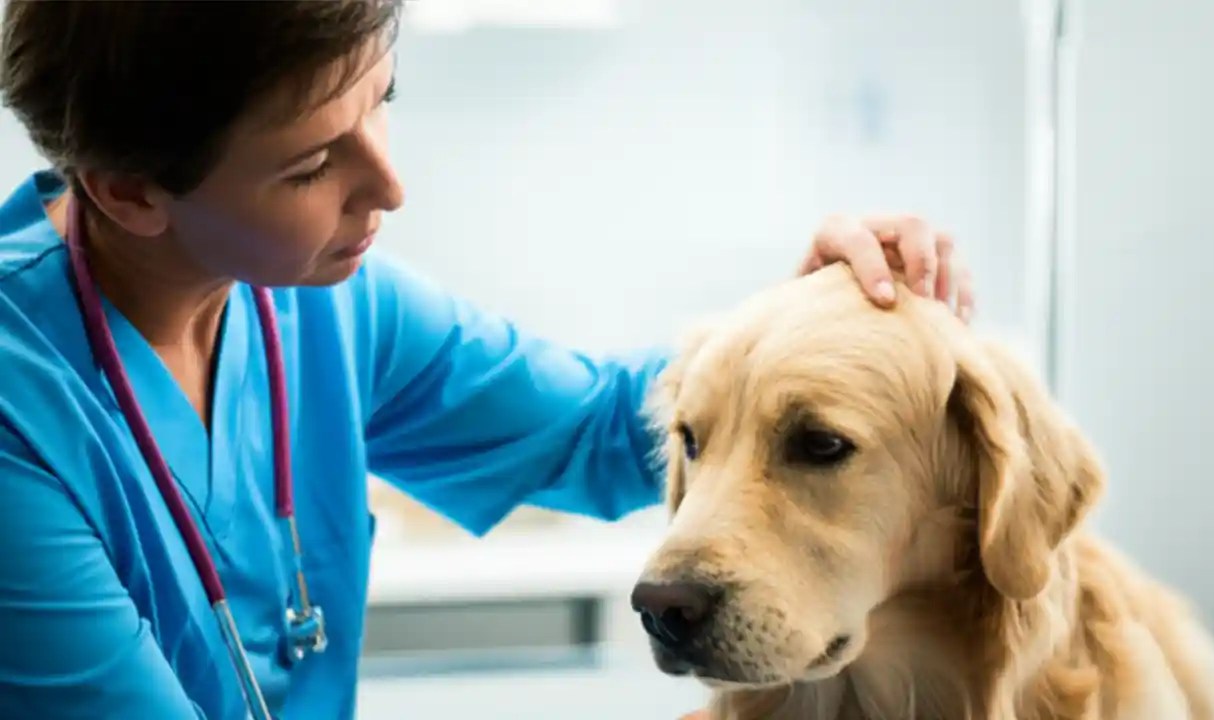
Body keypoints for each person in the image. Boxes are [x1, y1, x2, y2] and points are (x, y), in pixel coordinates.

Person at [0, 2, 975, 719]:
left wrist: (792, 331)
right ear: (129, 192)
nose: (389, 184)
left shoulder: (319, 309)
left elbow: (598, 428)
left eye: (382, 101)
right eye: (309, 166)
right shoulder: (19, 410)